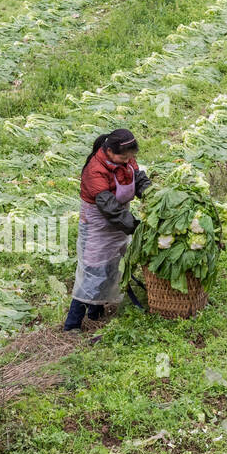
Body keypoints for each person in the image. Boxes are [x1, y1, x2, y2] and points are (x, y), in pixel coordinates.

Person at [65, 128, 151, 331]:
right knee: (93, 270)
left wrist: (151, 192)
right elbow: (109, 208)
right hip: (98, 223)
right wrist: (134, 226)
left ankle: (96, 313)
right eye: (124, 156)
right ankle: (72, 324)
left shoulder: (125, 160)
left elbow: (137, 178)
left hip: (119, 219)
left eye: (131, 156)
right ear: (110, 151)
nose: (128, 160)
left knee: (113, 265)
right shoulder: (95, 170)